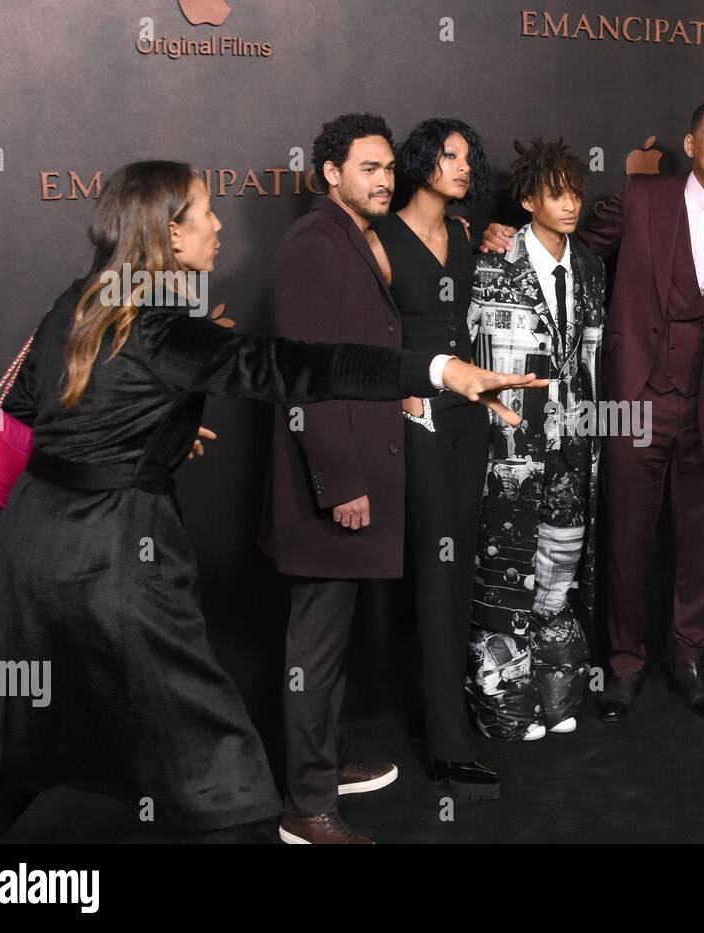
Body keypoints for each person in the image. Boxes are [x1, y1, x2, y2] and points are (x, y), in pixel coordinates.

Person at [0, 161, 542, 844]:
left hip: (31, 543)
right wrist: (438, 369)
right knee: (213, 748)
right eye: (204, 212)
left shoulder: (75, 301)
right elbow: (294, 366)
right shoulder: (165, 325)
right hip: (114, 551)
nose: (219, 225)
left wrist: (153, 433)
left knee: (10, 724)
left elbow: (32, 409)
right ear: (169, 235)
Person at [482, 99, 704, 722]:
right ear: (692, 143)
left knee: (698, 546)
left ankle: (690, 660)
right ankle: (622, 666)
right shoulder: (642, 199)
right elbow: (574, 249)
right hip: (633, 404)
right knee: (627, 539)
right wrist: (507, 238)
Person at [260, 113, 418, 844]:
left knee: (330, 642)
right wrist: (341, 481)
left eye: (389, 167)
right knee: (313, 647)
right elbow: (305, 377)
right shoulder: (312, 244)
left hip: (354, 474)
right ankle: (306, 807)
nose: (385, 179)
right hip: (329, 486)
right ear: (330, 172)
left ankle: (323, 764)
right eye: (369, 167)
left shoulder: (349, 236)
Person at [369, 119, 499, 798]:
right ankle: (451, 747)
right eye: (450, 156)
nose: (463, 167)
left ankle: (437, 707)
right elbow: (361, 336)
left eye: (468, 159)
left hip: (466, 419)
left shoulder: (468, 236)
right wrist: (398, 399)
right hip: (416, 418)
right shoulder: (380, 238)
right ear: (421, 162)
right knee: (436, 567)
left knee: (458, 568)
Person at [465, 138, 605, 741]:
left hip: (574, 445)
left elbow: (595, 357)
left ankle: (556, 691)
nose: (571, 204)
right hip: (509, 448)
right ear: (528, 200)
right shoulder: (489, 260)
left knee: (560, 566)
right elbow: (463, 352)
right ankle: (502, 706)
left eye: (576, 192)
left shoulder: (594, 266)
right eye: (556, 194)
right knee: (504, 568)